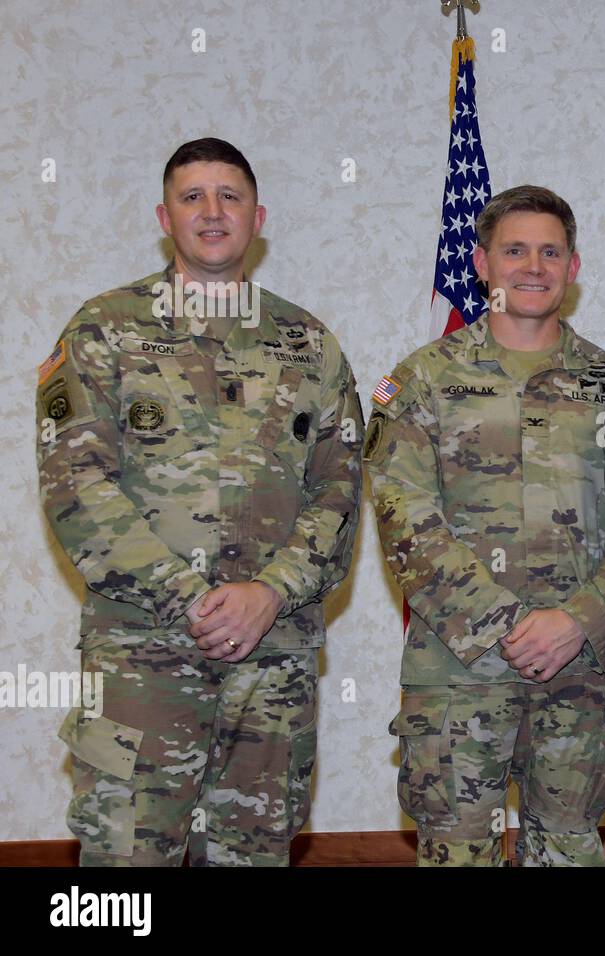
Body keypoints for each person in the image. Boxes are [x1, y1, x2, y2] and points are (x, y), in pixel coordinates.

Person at [36, 138, 363, 866]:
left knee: (253, 853)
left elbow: (340, 489)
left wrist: (268, 594)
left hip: (271, 660)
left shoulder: (311, 346)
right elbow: (77, 488)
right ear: (165, 216)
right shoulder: (103, 331)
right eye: (193, 197)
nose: (212, 213)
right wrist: (191, 596)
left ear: (258, 217)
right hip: (141, 660)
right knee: (123, 871)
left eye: (230, 197)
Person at [367, 185, 605, 866]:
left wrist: (577, 620)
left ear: (573, 267)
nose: (534, 265)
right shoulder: (421, 381)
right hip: (459, 672)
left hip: (580, 668)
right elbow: (403, 518)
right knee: (458, 852)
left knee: (568, 848)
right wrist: (506, 627)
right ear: (481, 263)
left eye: (550, 251)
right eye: (516, 250)